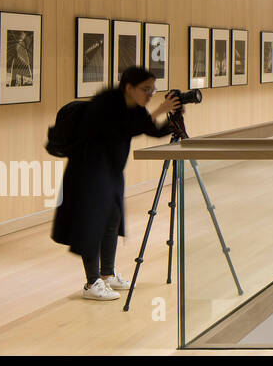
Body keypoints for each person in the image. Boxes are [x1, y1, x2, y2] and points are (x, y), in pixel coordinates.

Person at [51, 66, 180, 300]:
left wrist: (175, 118)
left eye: (154, 89)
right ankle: (92, 283)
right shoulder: (107, 104)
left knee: (112, 219)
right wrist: (161, 109)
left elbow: (153, 130)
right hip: (89, 171)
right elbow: (122, 128)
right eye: (146, 89)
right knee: (92, 224)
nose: (151, 94)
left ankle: (107, 274)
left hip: (110, 171)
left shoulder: (137, 109)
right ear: (129, 87)